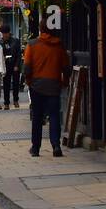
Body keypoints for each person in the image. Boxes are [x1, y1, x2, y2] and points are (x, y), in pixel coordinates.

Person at [24, 25, 72, 158]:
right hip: (54, 85)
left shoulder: (32, 45)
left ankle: (35, 148)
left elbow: (27, 67)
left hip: (37, 86)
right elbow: (66, 67)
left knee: (37, 117)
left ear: (40, 29)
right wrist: (65, 82)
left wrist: (29, 81)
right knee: (54, 116)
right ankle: (56, 145)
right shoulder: (59, 45)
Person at [0, 24, 24, 109]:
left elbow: (18, 54)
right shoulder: (0, 43)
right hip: (6, 66)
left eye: (6, 33)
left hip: (14, 65)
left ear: (9, 33)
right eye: (3, 33)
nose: (5, 35)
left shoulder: (15, 41)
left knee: (16, 84)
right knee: (6, 84)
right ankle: (6, 103)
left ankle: (16, 100)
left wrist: (17, 65)